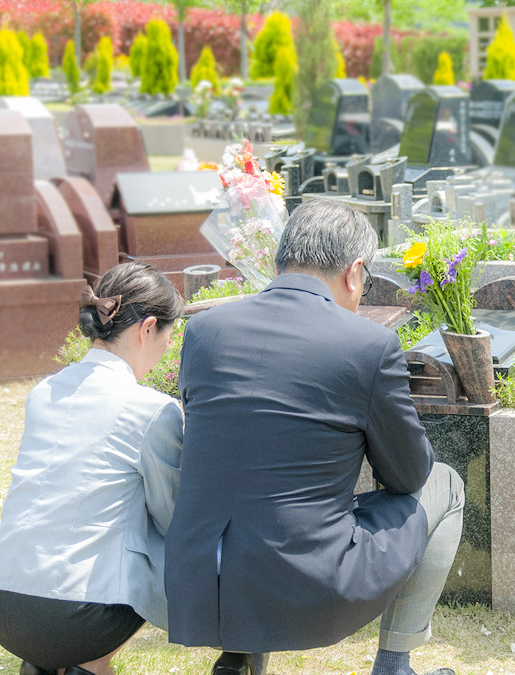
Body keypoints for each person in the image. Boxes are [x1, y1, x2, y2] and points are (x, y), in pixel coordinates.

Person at [166, 199, 464, 675]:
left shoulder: (204, 331)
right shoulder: (368, 344)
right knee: (444, 483)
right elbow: (409, 476)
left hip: (201, 581)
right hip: (307, 583)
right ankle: (394, 665)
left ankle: (240, 655)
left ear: (282, 259)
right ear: (354, 273)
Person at [0, 262, 185, 675]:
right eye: (168, 335)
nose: (166, 348)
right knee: (161, 545)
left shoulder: (44, 391)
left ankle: (48, 665)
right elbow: (173, 516)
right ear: (146, 329)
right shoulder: (151, 409)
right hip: (79, 610)